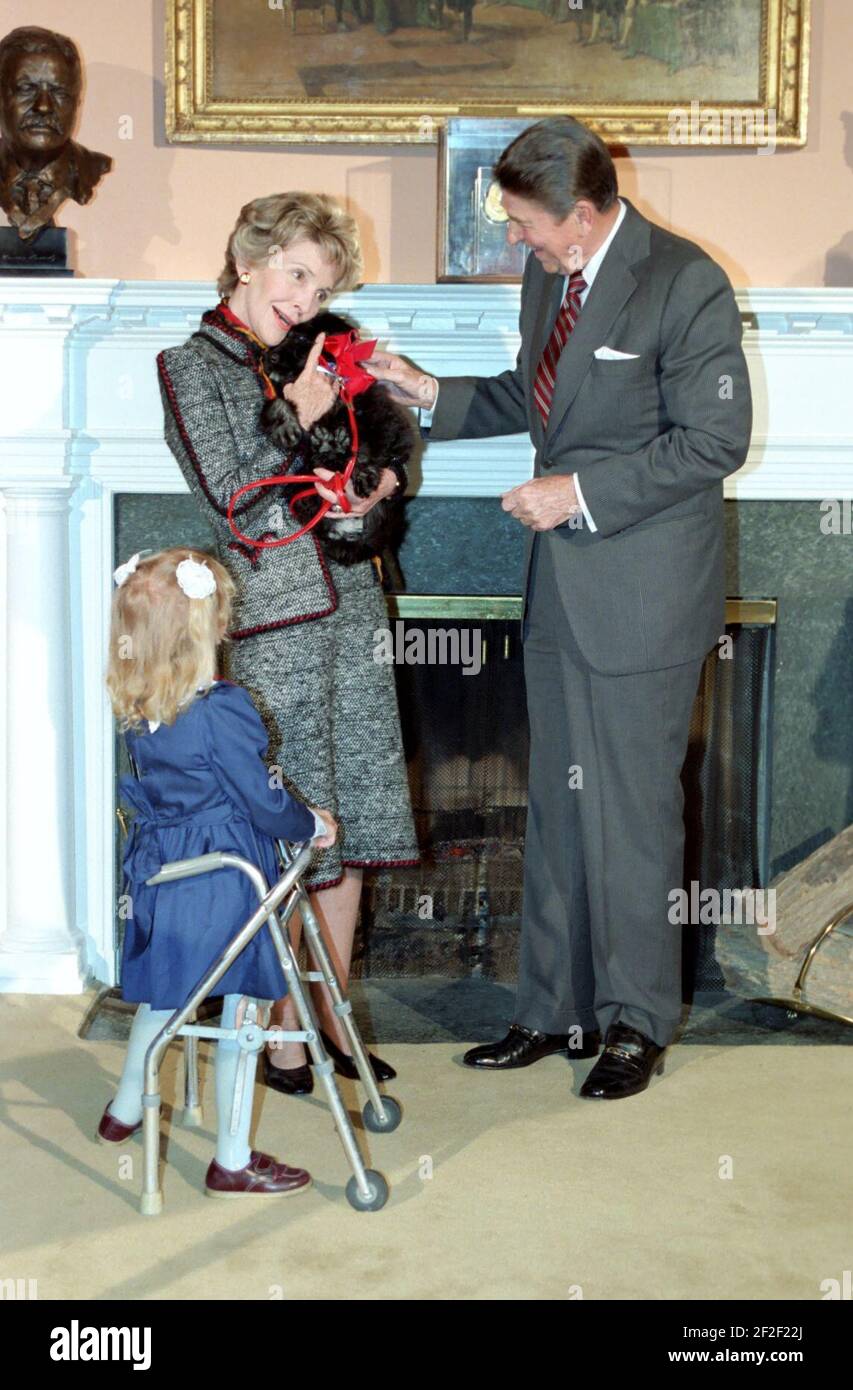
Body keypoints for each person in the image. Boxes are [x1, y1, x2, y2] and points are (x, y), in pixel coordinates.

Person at [368, 115, 752, 1099]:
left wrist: (574, 494)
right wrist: (426, 393)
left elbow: (713, 441)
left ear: (580, 216)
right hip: (562, 590)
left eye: (527, 226)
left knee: (629, 815)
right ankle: (551, 1008)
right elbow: (538, 400)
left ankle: (635, 1022)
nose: (517, 243)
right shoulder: (554, 277)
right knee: (558, 807)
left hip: (645, 593)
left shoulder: (686, 281)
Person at [156, 193, 420, 1098]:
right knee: (292, 834)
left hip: (353, 608)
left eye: (323, 282)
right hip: (272, 628)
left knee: (359, 821)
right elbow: (232, 498)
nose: (308, 299)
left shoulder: (318, 353)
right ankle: (279, 1041)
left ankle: (332, 1021)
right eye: (296, 273)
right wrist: (293, 414)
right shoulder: (192, 367)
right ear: (248, 261)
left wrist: (372, 497)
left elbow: (375, 460)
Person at [98, 547, 337, 1197]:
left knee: (169, 994)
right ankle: (232, 1161)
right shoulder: (222, 708)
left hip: (166, 872)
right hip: (228, 880)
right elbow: (261, 802)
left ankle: (124, 1108)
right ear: (208, 627)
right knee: (244, 1012)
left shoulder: (141, 704)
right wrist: (310, 822)